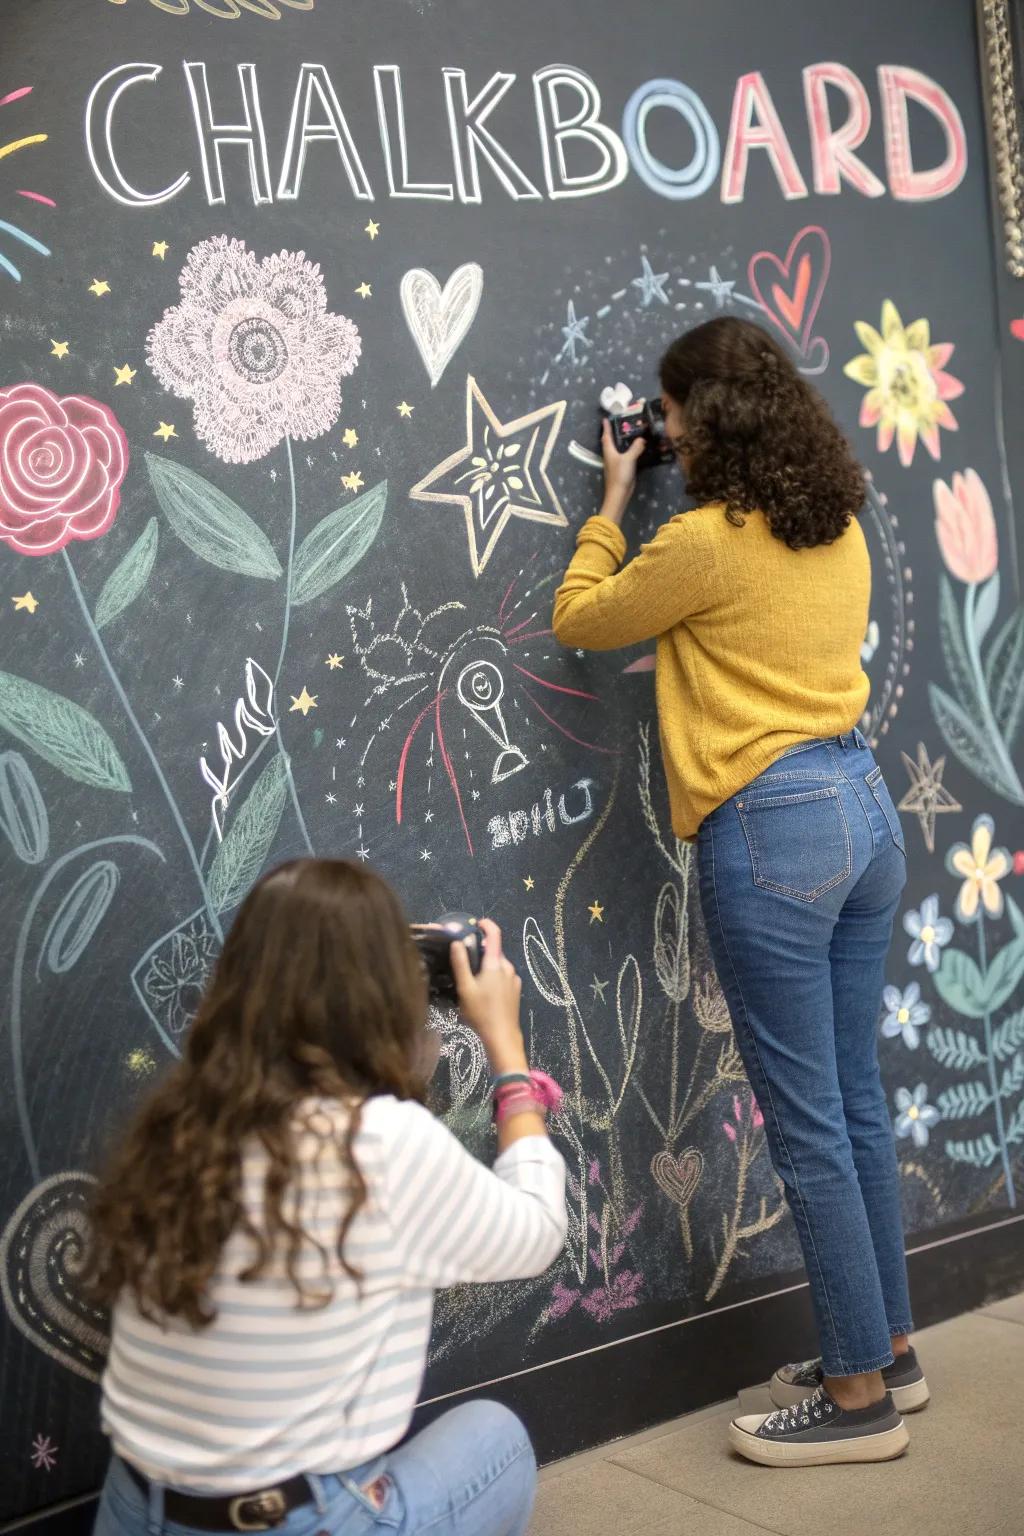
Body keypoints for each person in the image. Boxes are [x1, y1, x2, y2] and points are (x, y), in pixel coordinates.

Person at [552, 316, 928, 1468]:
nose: (660, 431)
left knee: (807, 1124)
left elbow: (581, 618)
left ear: (701, 419)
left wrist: (616, 496)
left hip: (772, 827)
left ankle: (855, 1401)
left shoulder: (703, 543)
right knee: (854, 1104)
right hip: (862, 807)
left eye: (668, 414)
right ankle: (888, 1351)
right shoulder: (838, 522)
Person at [87, 859, 566, 1535]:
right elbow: (539, 1229)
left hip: (135, 1508)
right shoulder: (384, 1140)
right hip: (288, 1520)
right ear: (380, 998)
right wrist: (508, 1055)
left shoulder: (179, 1120)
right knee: (497, 1440)